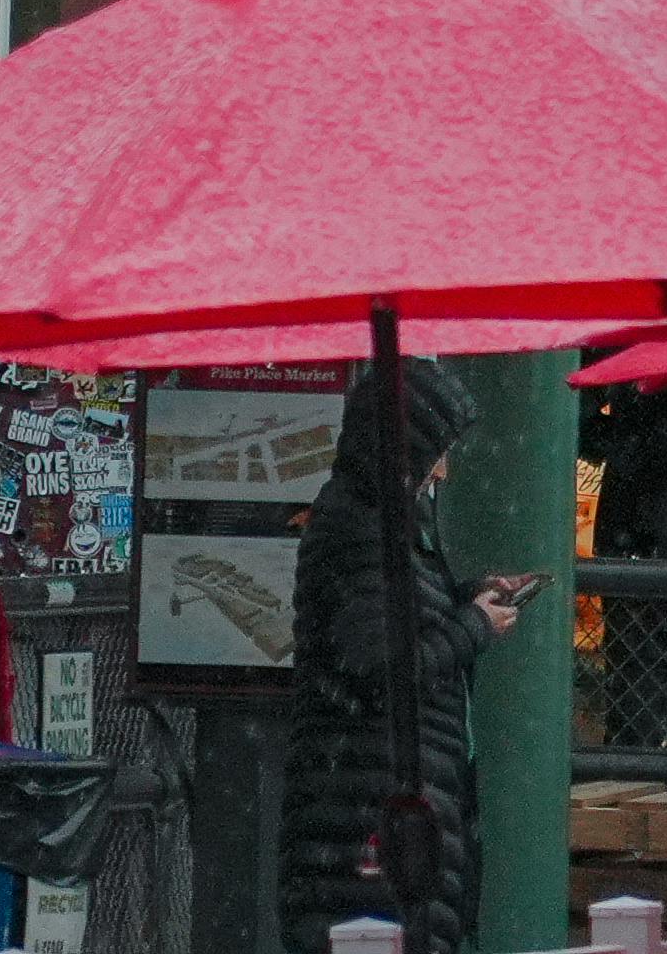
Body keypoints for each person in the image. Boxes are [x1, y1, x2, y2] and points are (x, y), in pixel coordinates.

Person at [275, 371, 520, 954]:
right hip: (367, 809)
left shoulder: (380, 522)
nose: (443, 472)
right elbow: (381, 669)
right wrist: (473, 627)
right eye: (436, 456)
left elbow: (389, 636)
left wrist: (464, 600)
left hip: (372, 799)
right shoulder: (365, 528)